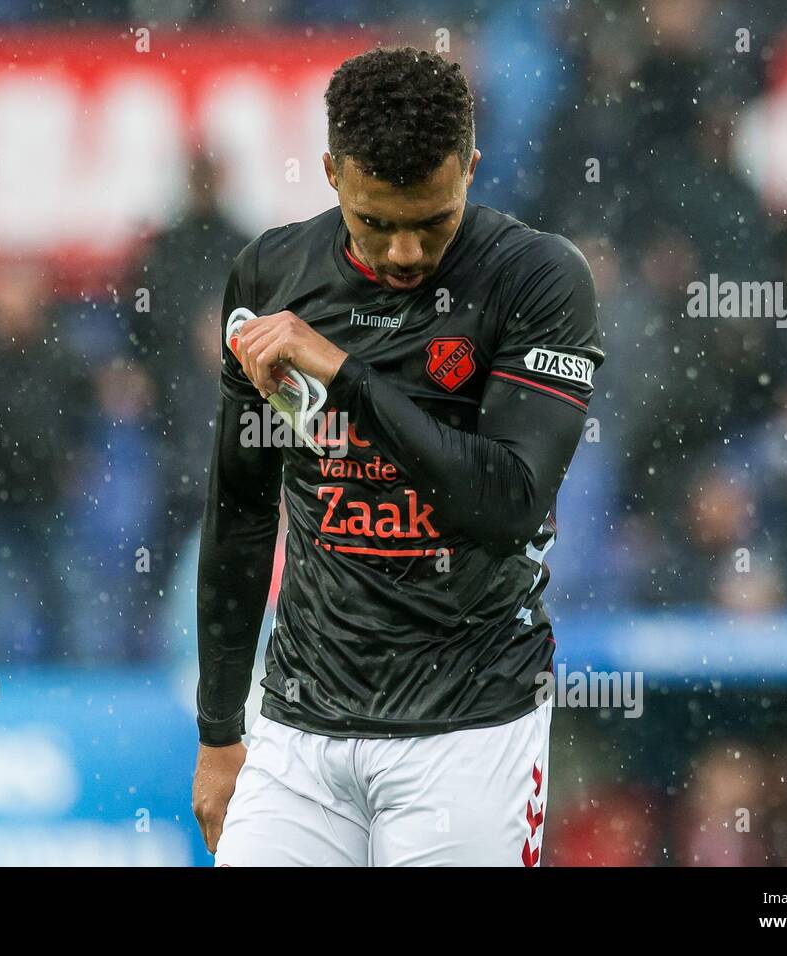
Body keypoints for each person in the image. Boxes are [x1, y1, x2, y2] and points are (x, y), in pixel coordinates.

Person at [192, 47, 605, 866]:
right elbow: (240, 509)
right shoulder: (272, 275)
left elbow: (507, 504)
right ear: (332, 174)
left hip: (471, 730)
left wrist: (347, 377)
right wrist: (218, 733)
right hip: (299, 732)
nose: (406, 253)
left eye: (433, 221)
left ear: (472, 171)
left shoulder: (538, 280)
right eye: (377, 223)